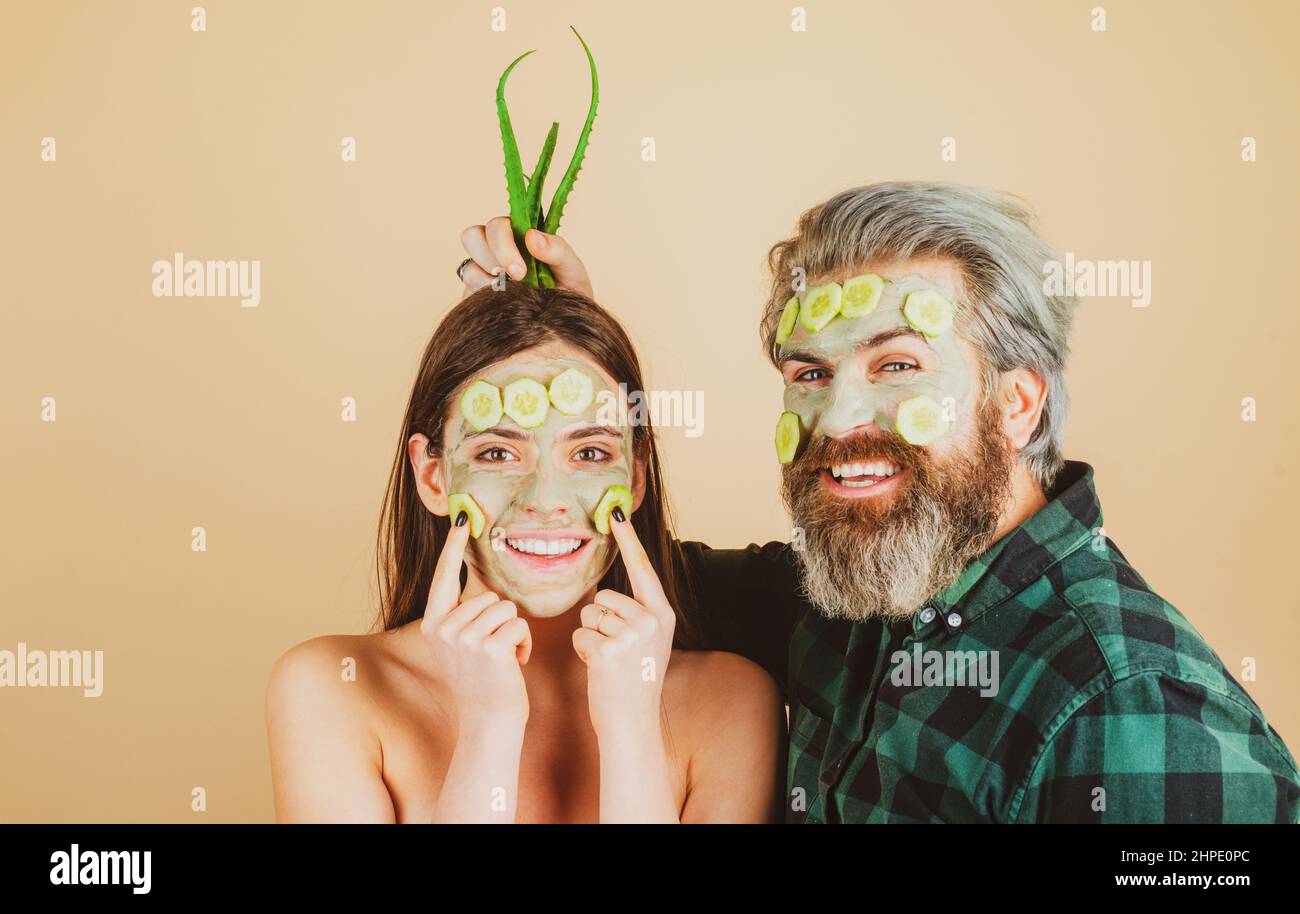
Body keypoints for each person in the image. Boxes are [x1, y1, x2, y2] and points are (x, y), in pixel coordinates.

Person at [458, 181, 1300, 823]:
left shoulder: (1131, 707)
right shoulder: (861, 588)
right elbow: (593, 563)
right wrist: (562, 353)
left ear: (1016, 403)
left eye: (897, 366)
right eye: (810, 375)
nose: (838, 419)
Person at [266, 282, 785, 823]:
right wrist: (488, 725)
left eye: (588, 452)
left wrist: (631, 730)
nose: (546, 501)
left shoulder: (734, 702)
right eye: (496, 452)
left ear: (634, 478)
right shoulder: (331, 688)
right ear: (433, 475)